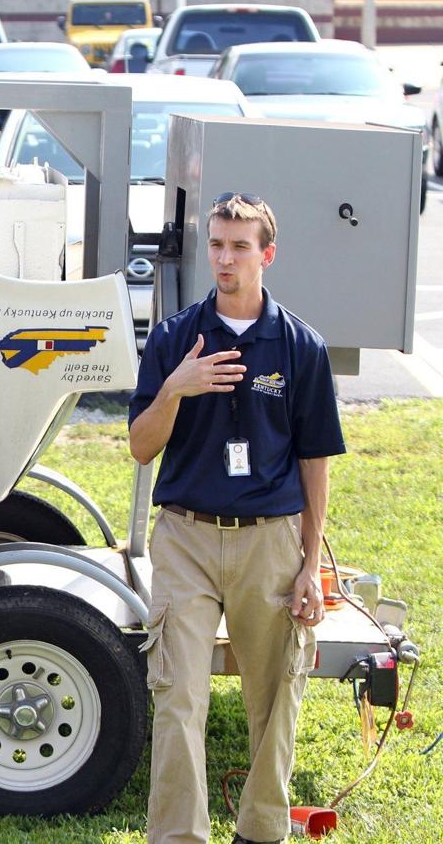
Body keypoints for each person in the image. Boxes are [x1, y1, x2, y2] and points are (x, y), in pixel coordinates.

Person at [128, 193, 345, 844]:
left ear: (266, 254)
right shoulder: (174, 338)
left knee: (275, 698)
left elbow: (314, 462)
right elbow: (141, 446)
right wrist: (176, 386)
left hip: (269, 541)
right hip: (186, 538)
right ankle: (179, 835)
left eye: (240, 247)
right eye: (217, 245)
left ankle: (261, 830)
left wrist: (310, 564)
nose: (225, 258)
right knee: (178, 696)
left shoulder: (301, 346)